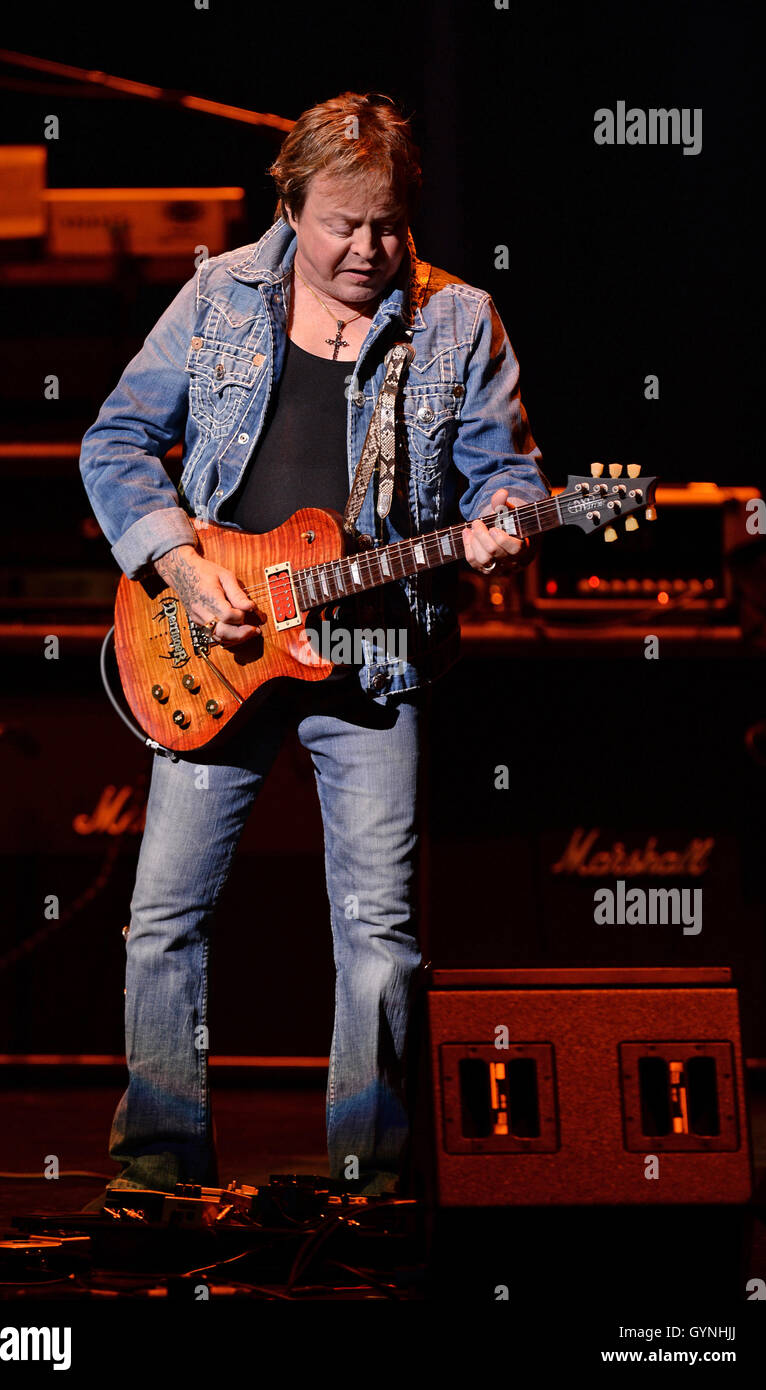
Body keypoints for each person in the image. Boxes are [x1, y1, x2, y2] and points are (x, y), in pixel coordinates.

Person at [79, 91, 550, 1199]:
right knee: (162, 921)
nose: (367, 248)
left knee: (379, 935)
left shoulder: (457, 318)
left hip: (375, 658)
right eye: (342, 223)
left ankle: (365, 1187)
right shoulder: (219, 294)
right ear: (290, 204)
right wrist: (183, 569)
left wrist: (507, 527)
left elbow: (512, 479)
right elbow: (116, 441)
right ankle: (157, 1178)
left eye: (387, 223)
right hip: (216, 643)